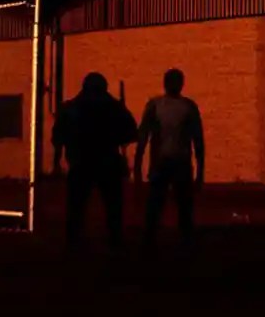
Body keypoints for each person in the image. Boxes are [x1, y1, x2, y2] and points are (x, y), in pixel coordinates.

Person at [52, 72, 137, 252]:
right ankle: (114, 241)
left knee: (77, 206)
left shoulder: (72, 107)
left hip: (81, 161)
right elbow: (130, 132)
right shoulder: (113, 107)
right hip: (106, 161)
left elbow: (59, 136)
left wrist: (57, 160)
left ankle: (74, 242)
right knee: (112, 206)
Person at [135, 68, 205, 248]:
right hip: (175, 161)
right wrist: (200, 171)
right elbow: (198, 141)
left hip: (165, 161)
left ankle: (151, 242)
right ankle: (182, 242)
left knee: (160, 205)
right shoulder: (187, 106)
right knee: (178, 206)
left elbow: (143, 136)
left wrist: (137, 165)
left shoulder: (156, 105)